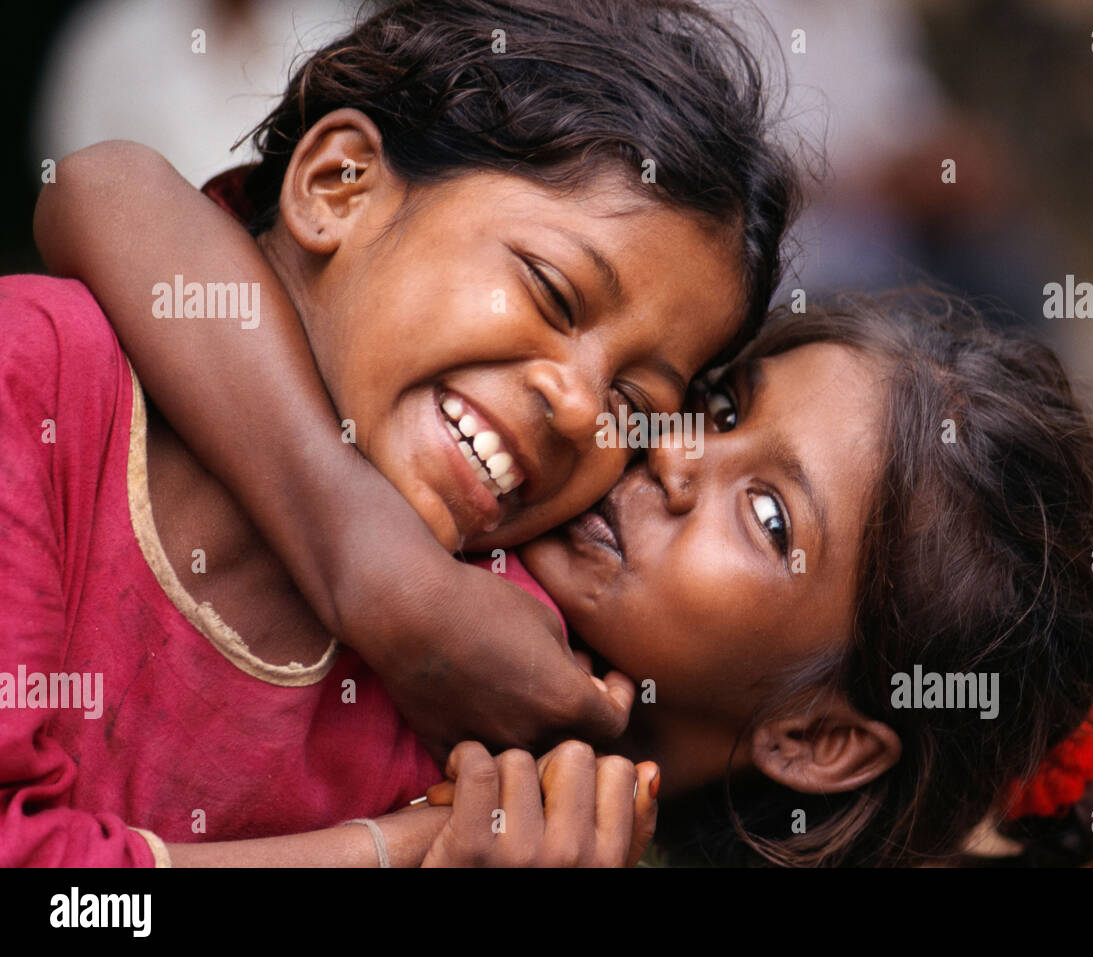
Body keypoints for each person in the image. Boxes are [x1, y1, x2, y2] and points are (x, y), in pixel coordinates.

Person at [8, 0, 799, 866]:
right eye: (553, 291)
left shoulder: (492, 677)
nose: (581, 409)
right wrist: (386, 851)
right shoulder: (38, 383)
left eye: (633, 406)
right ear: (337, 184)